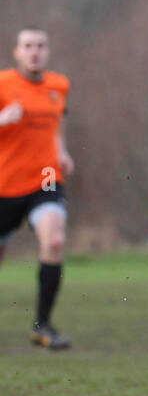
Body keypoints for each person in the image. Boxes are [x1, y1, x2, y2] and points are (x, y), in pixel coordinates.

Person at [0, 27, 74, 349]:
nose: (35, 51)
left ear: (47, 51)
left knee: (55, 240)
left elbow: (57, 124)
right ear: (17, 52)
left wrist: (61, 151)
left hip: (45, 180)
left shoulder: (59, 86)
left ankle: (42, 325)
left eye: (41, 46)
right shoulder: (2, 84)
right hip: (4, 185)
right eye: (28, 46)